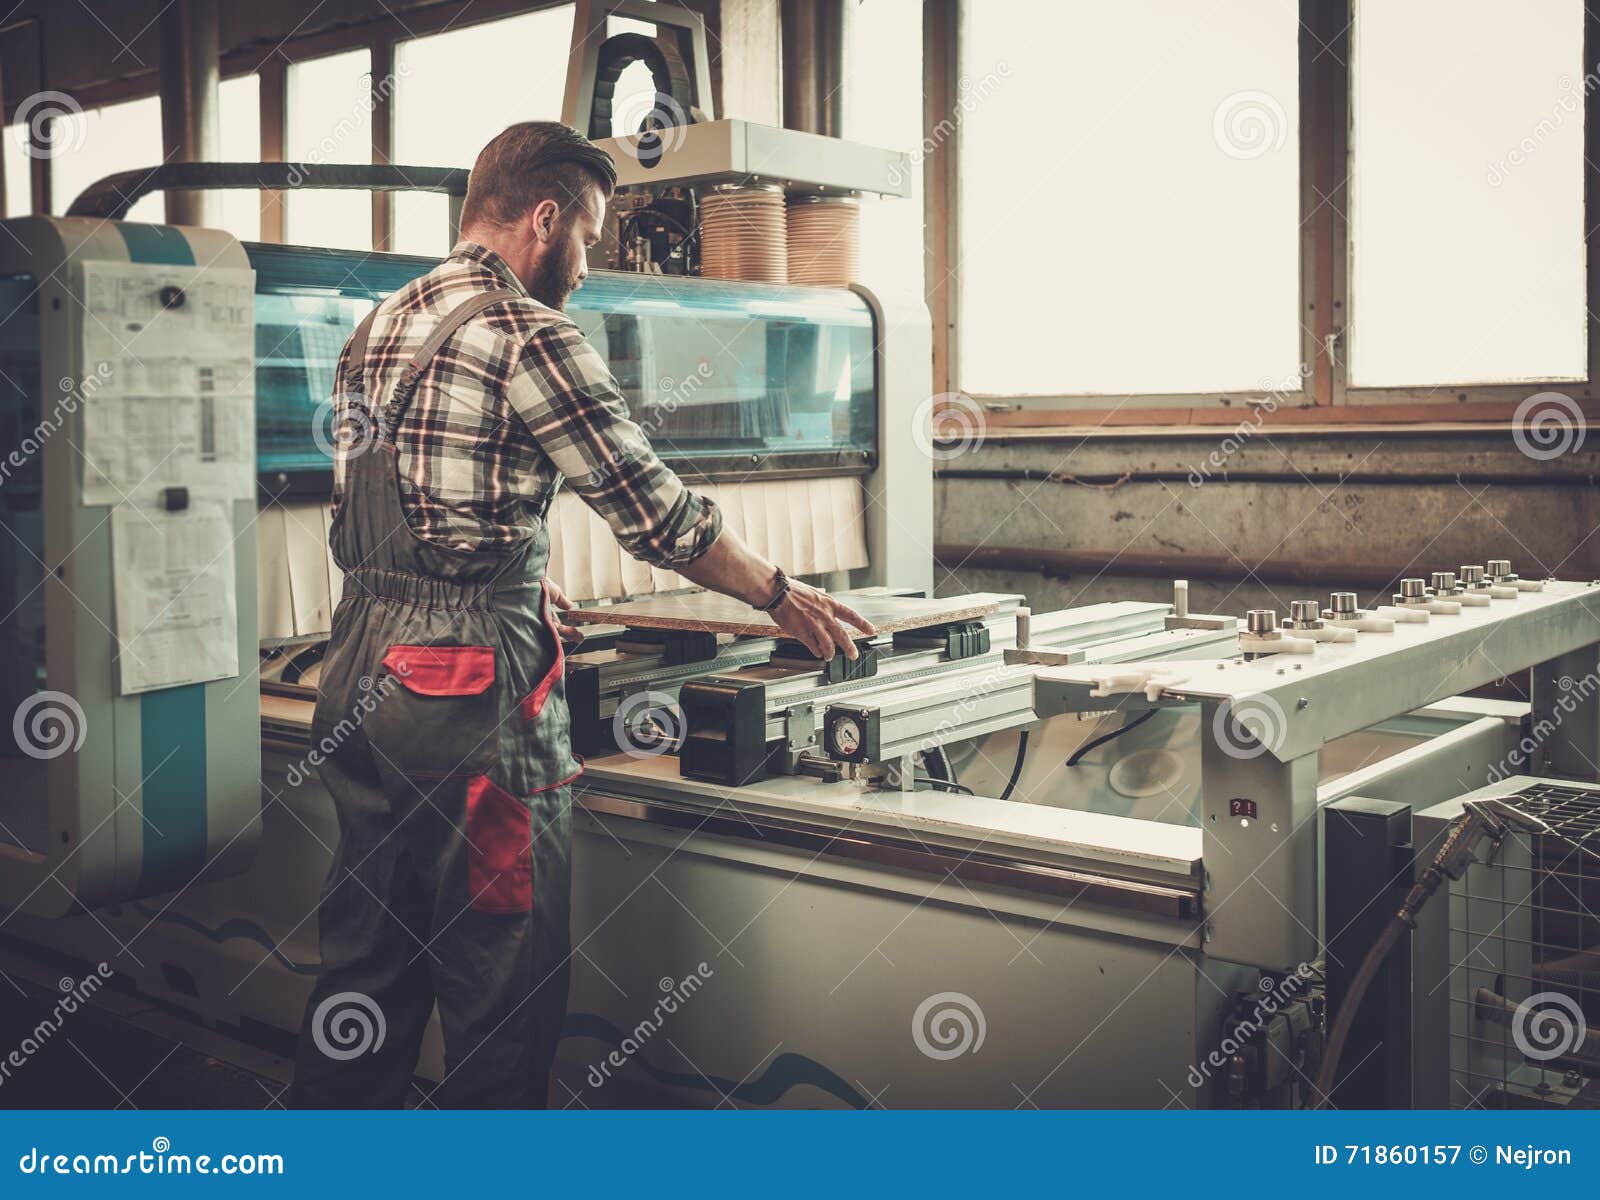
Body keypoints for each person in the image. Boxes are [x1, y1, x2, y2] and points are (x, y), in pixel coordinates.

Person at [290, 121, 872, 1108]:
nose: (590, 266)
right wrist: (780, 594)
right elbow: (657, 519)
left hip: (360, 672)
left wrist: (490, 568)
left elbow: (372, 511)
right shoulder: (528, 334)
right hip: (466, 695)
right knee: (496, 974)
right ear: (544, 218)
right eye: (592, 238)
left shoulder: (376, 323)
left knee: (365, 968)